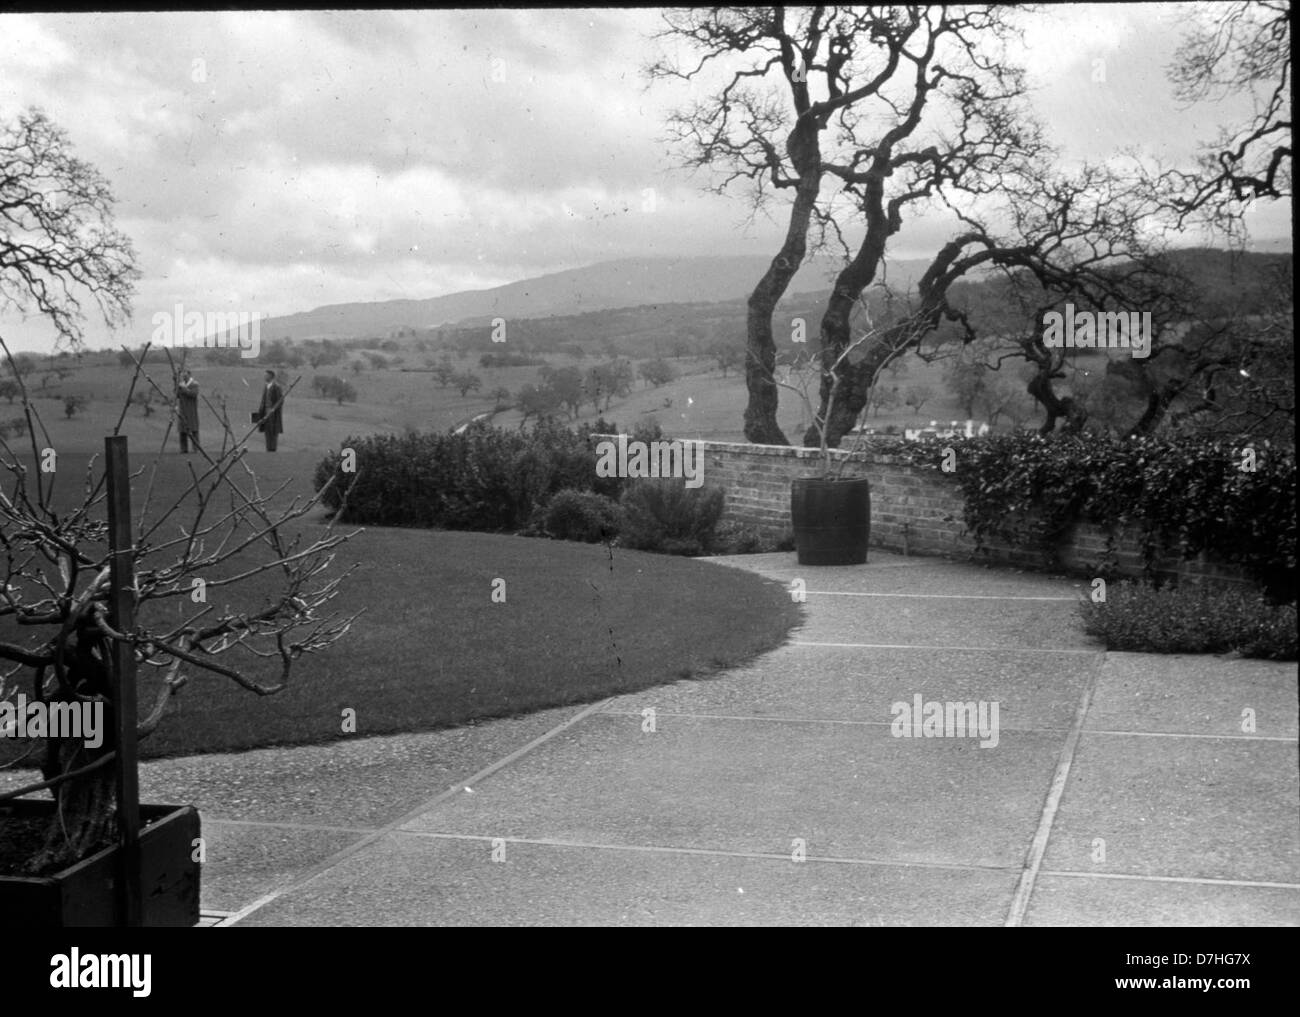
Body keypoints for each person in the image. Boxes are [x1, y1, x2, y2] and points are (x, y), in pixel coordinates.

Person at [257, 369, 284, 451]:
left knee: (273, 434)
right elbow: (263, 402)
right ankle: (268, 451)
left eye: (266, 375)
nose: (264, 376)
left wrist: (273, 409)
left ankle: (272, 452)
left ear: (271, 376)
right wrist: (258, 416)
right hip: (265, 414)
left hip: (273, 416)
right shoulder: (266, 386)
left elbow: (280, 401)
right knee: (267, 433)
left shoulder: (277, 387)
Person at [176, 369, 200, 453]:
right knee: (182, 431)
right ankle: (184, 449)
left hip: (191, 410)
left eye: (185, 375)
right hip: (182, 410)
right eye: (183, 375)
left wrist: (184, 389)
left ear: (189, 375)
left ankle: (196, 449)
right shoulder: (180, 385)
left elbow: (193, 394)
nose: (184, 377)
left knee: (194, 430)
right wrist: (176, 384)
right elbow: (177, 395)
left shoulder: (194, 384)